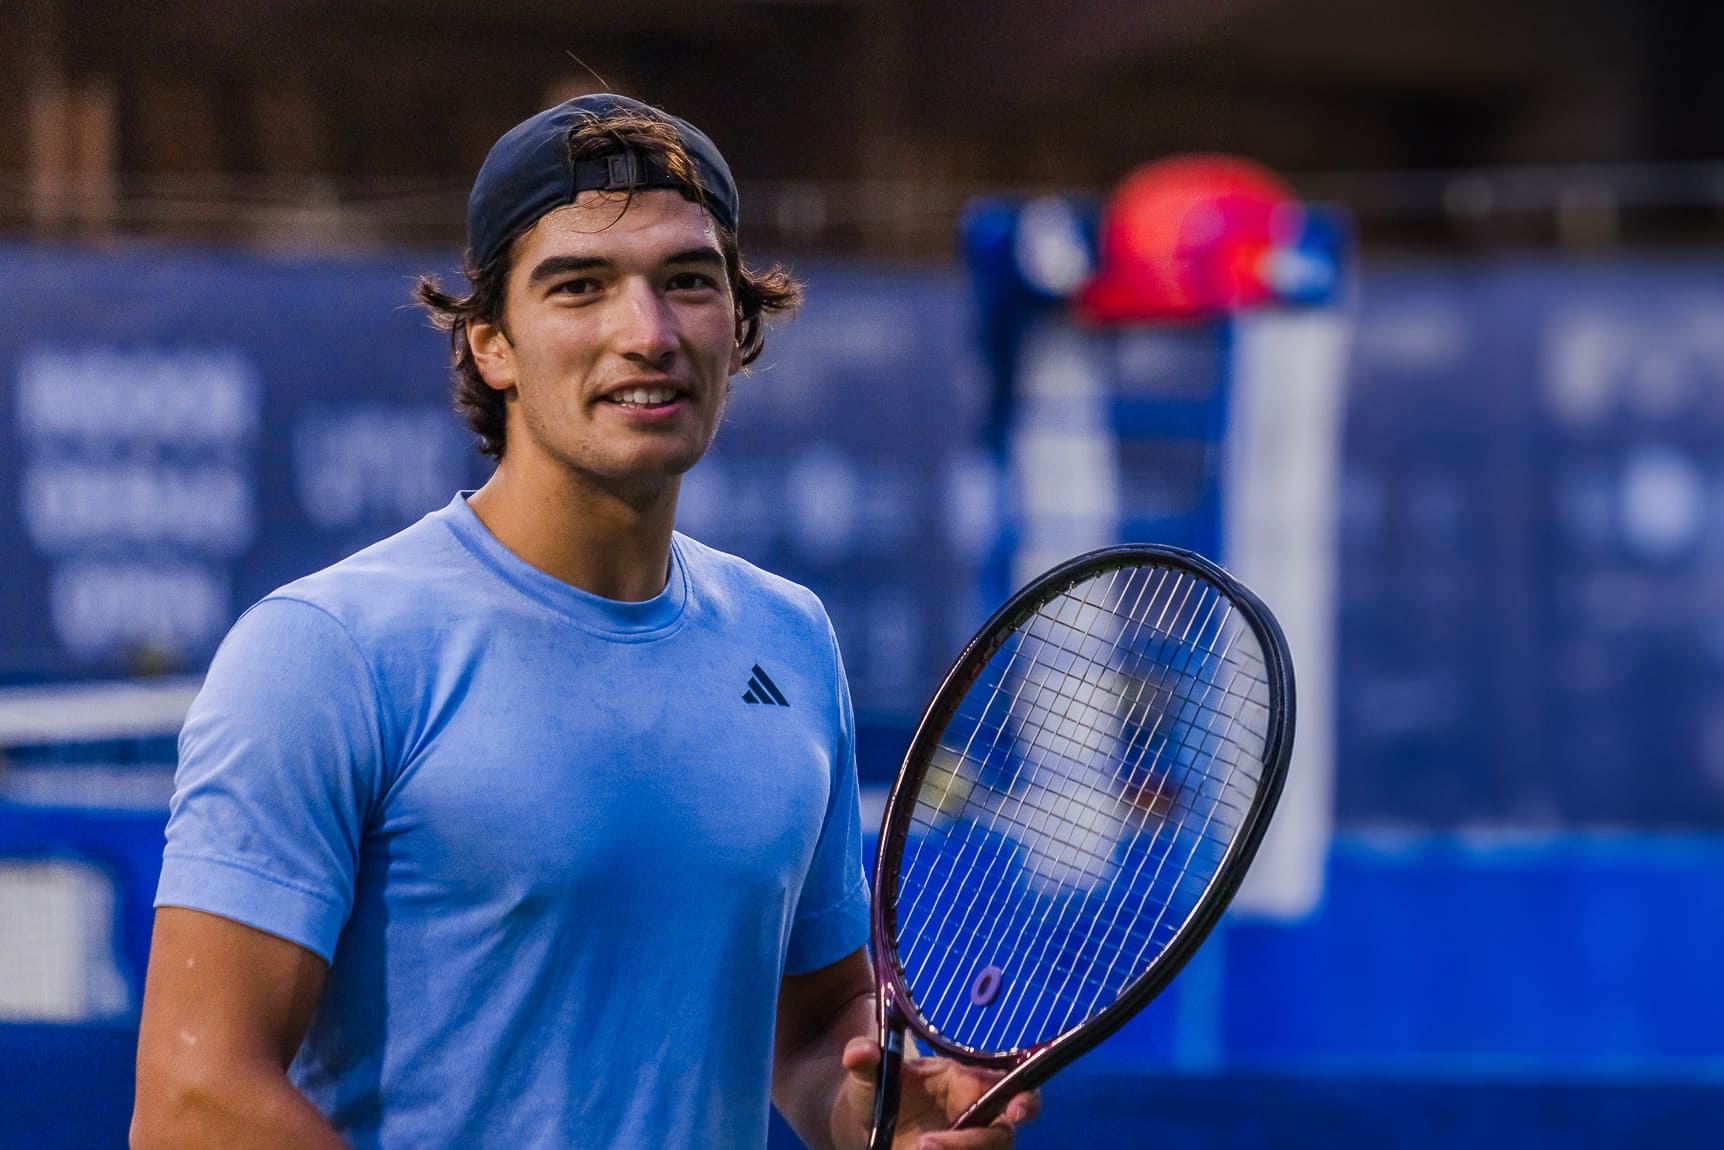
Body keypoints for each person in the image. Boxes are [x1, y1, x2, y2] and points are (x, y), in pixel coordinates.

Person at [130, 93, 1038, 1150]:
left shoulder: (788, 639)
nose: (645, 333)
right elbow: (194, 1103)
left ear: (736, 330)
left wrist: (886, 1110)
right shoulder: (326, 650)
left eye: (688, 282)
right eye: (579, 287)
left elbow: (810, 1031)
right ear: (491, 345)